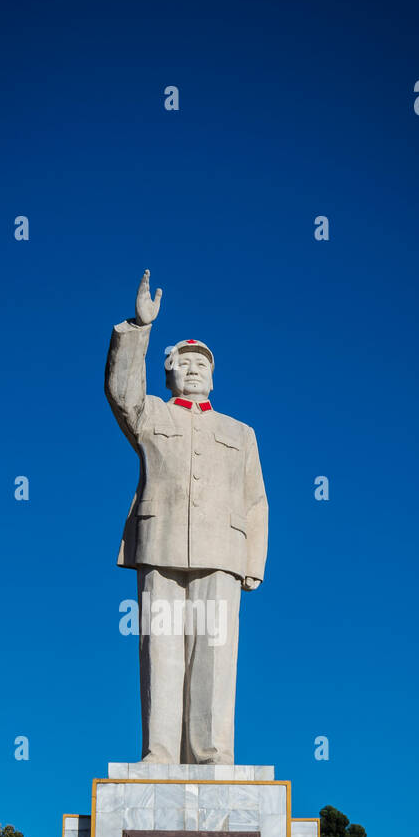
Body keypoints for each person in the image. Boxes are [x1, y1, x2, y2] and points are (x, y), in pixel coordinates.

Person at [105, 270, 268, 764]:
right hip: (161, 545)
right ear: (169, 371)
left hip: (223, 552)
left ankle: (212, 752)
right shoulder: (152, 414)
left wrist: (253, 562)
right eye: (184, 362)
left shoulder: (240, 432)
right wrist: (139, 326)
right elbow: (121, 394)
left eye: (202, 363)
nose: (194, 369)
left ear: (214, 375)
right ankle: (158, 751)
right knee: (162, 653)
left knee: (215, 655)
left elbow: (255, 499)